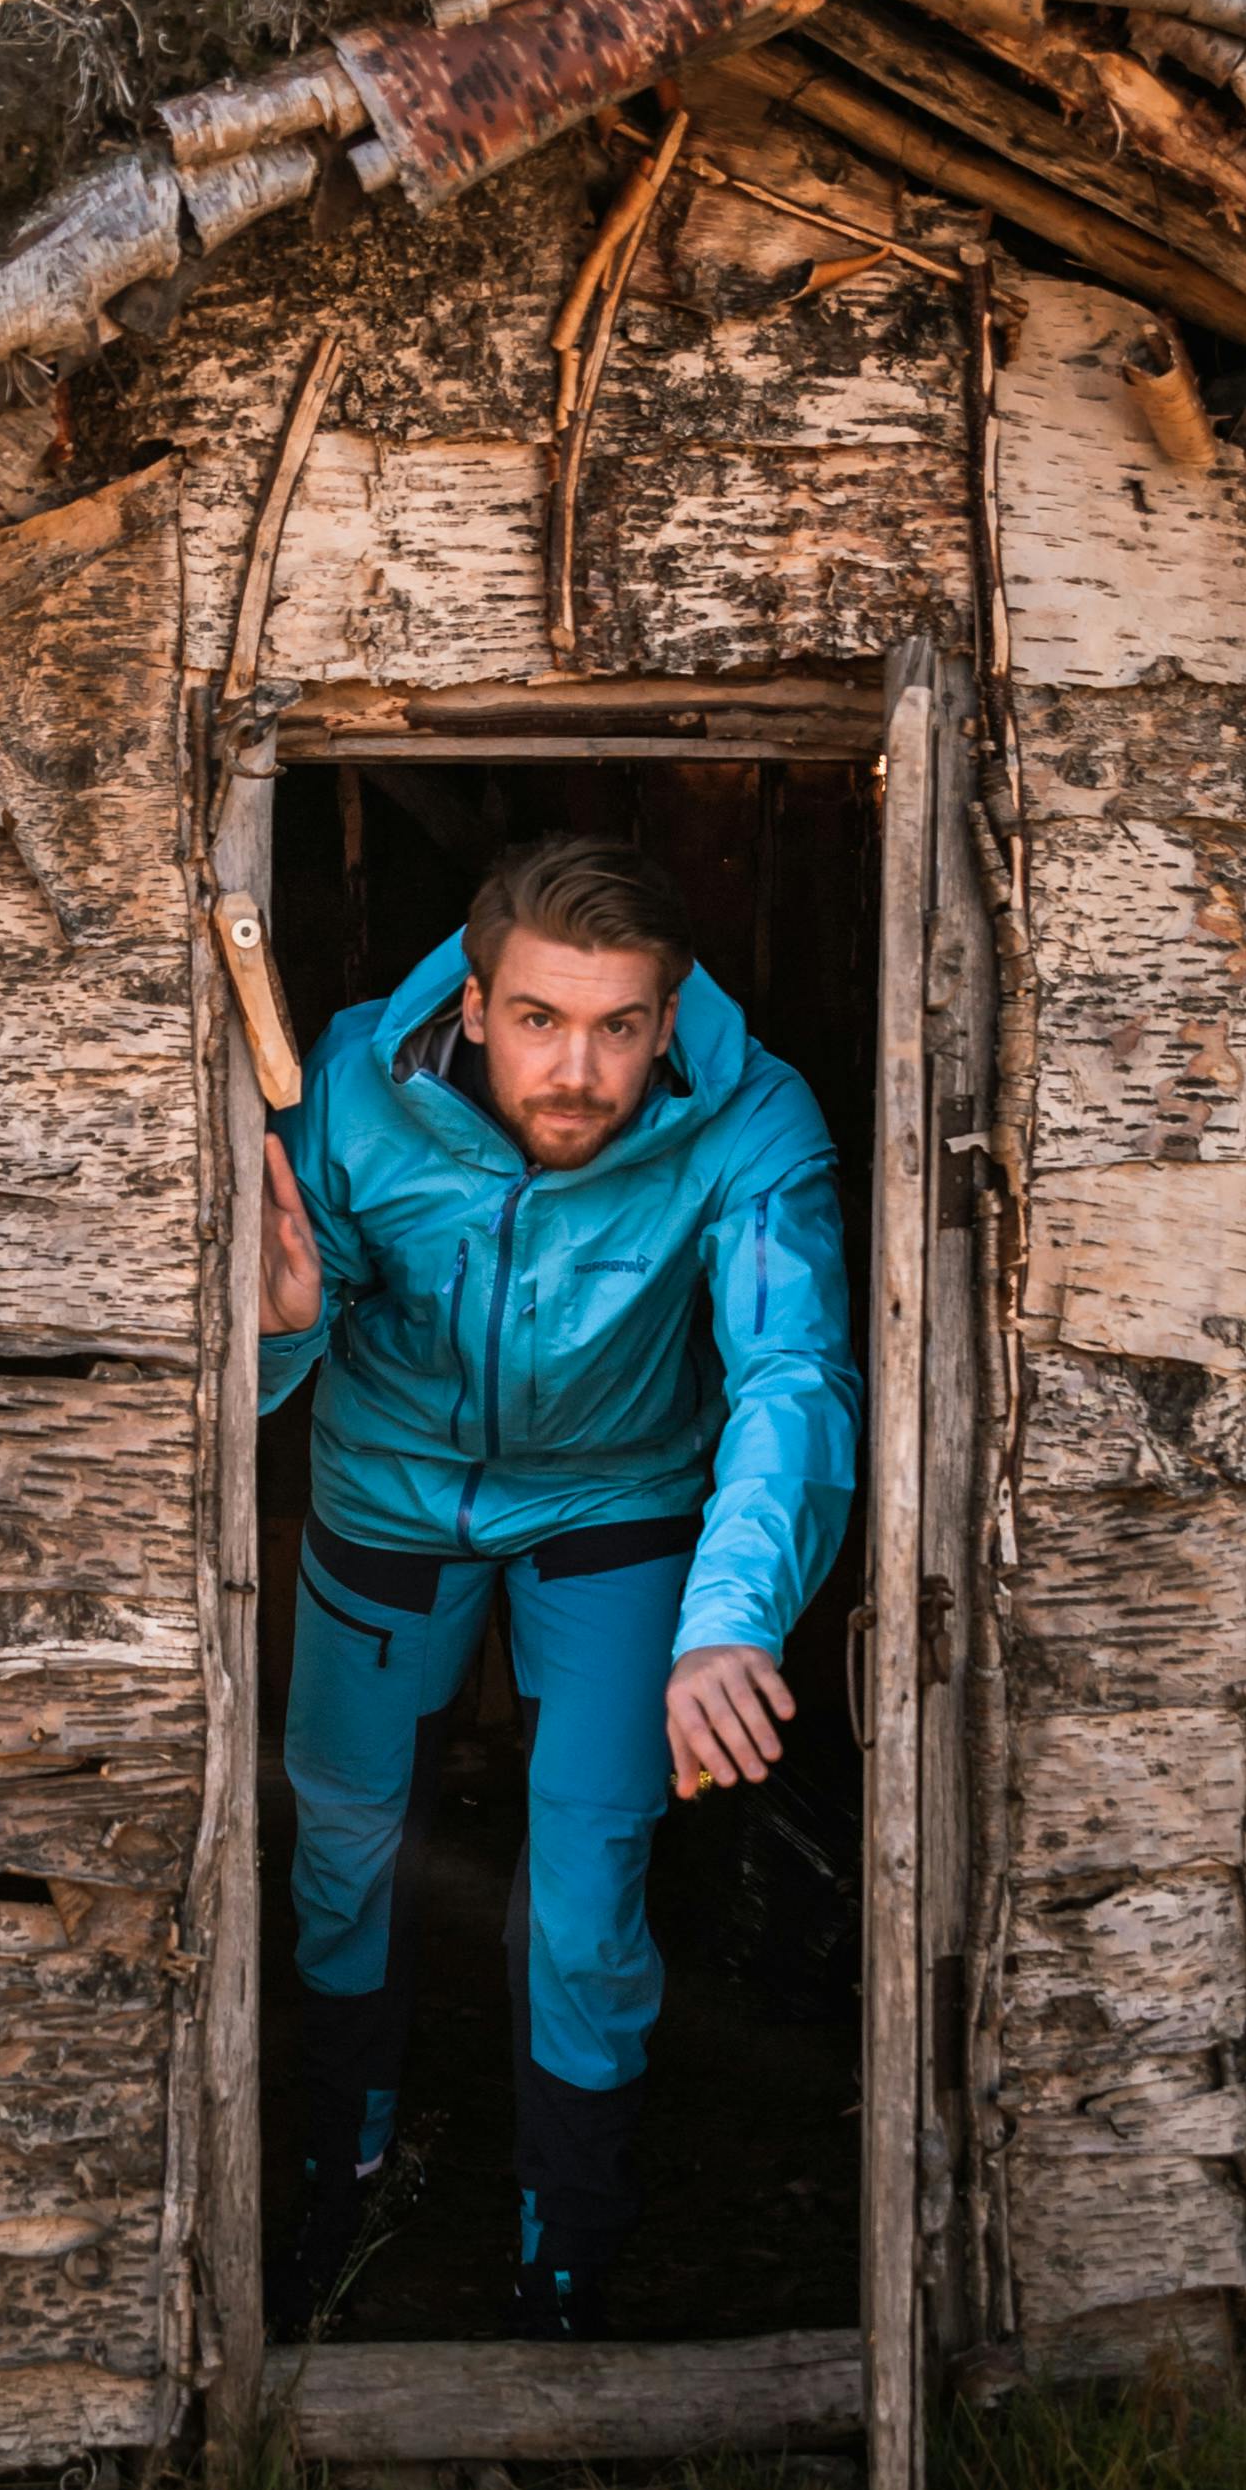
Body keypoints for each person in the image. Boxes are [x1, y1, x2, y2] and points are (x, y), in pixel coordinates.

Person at [256, 833, 862, 2341]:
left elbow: (794, 1376)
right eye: (537, 1018)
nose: (574, 1069)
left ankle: (565, 2257)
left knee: (587, 1897)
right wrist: (273, 1331)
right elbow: (259, 1352)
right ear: (471, 1004)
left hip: (619, 1508)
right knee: (342, 1857)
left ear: (668, 1021)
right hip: (384, 1494)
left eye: (615, 1026)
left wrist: (729, 1620)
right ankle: (338, 2179)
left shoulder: (750, 1120)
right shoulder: (347, 1085)